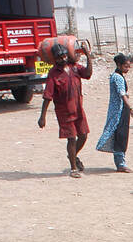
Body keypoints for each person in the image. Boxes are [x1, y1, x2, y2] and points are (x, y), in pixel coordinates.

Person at [37, 39, 93, 178]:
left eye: (64, 56)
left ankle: (72, 156)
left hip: (78, 108)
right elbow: (47, 96)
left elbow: (88, 74)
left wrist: (88, 56)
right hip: (64, 112)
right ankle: (73, 168)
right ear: (55, 59)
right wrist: (42, 116)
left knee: (84, 135)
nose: (63, 59)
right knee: (71, 139)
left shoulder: (74, 67)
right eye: (60, 57)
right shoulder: (53, 74)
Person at [95, 53, 133, 173]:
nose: (127, 69)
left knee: (120, 135)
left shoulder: (116, 76)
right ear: (119, 65)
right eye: (125, 66)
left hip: (119, 109)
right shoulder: (117, 77)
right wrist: (131, 108)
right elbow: (122, 94)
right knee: (121, 135)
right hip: (119, 110)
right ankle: (120, 163)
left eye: (129, 66)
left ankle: (120, 161)